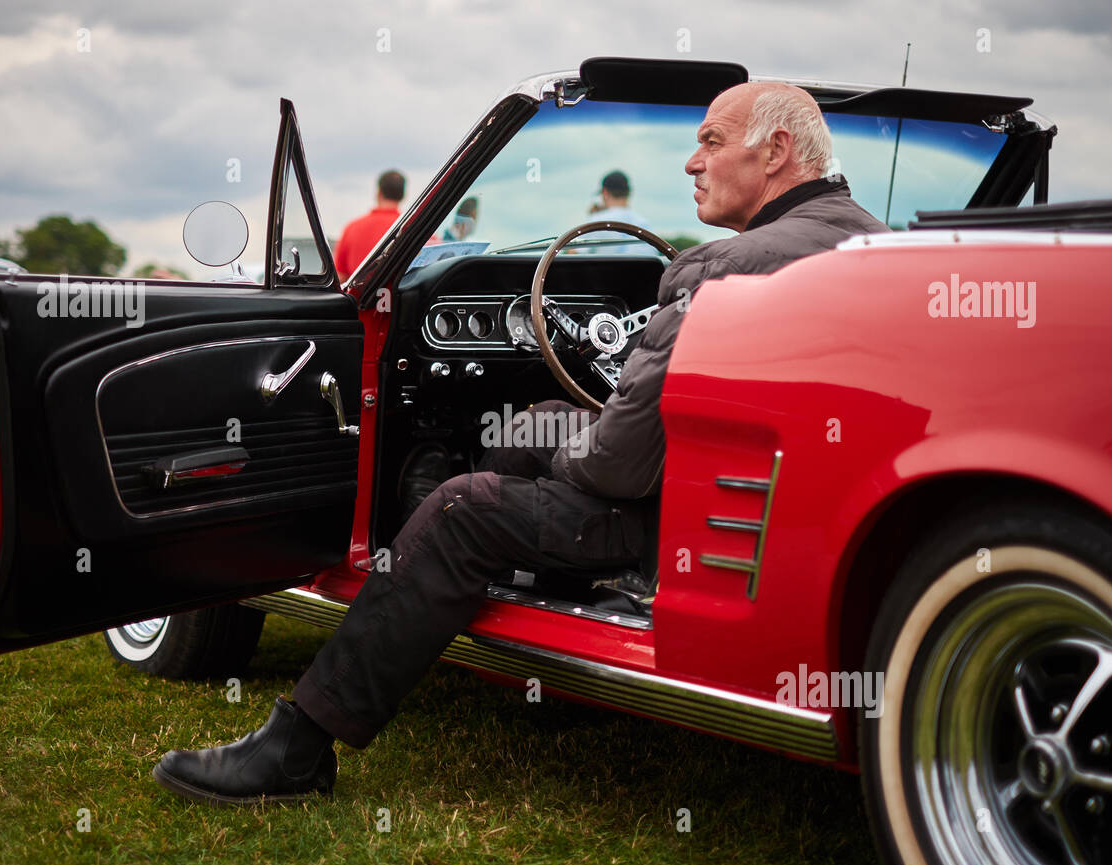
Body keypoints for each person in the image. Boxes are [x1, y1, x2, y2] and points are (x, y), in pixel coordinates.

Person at [152, 82, 890, 806]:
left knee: (458, 507)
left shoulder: (719, 272)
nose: (692, 163)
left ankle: (296, 746)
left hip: (675, 522)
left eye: (711, 141)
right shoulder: (876, 247)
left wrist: (580, 446)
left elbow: (621, 466)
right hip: (797, 508)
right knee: (536, 419)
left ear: (777, 151)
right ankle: (524, 598)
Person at [334, 170, 405, 282]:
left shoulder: (352, 228)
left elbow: (340, 277)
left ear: (379, 193)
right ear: (402, 196)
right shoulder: (411, 227)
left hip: (360, 298)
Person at [585, 170, 650, 254]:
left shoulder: (596, 221)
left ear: (604, 193)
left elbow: (574, 253)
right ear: (628, 193)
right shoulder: (645, 224)